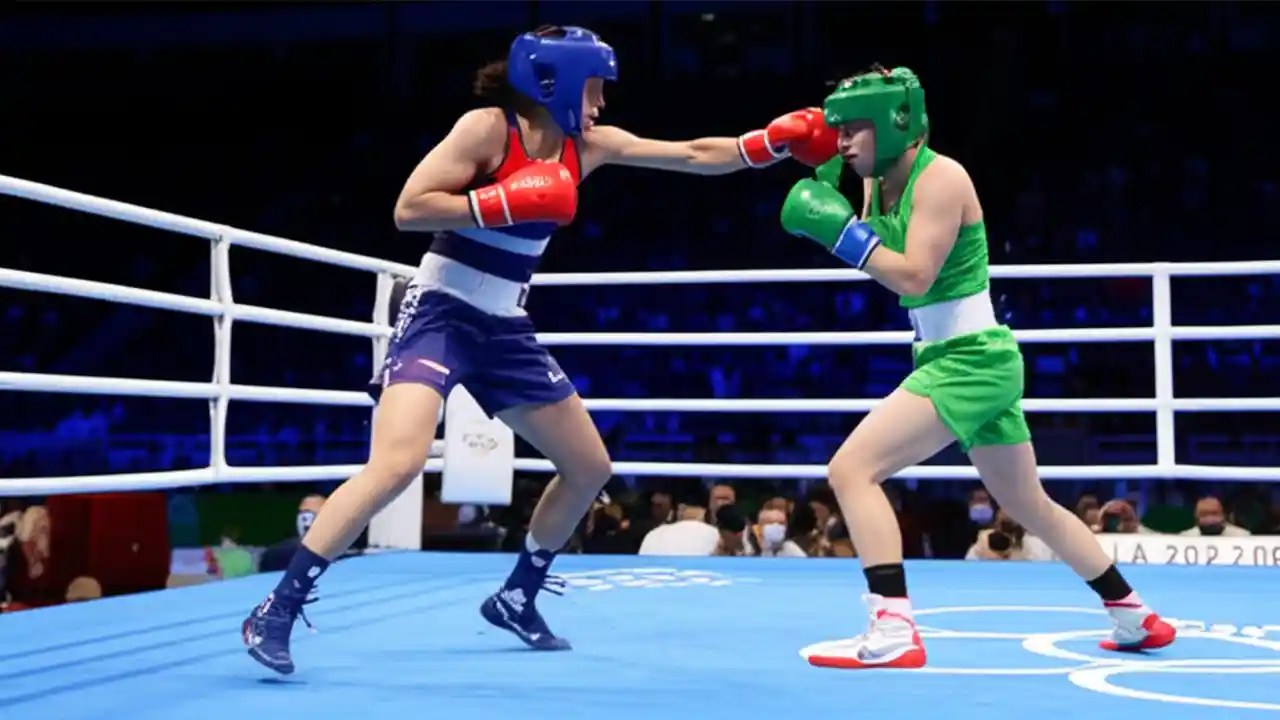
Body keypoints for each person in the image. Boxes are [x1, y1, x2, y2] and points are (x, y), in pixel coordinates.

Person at [241, 24, 836, 675]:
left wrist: (773, 144)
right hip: (439, 312)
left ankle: (517, 594)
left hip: (505, 326)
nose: (601, 104)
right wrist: (503, 200)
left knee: (588, 467)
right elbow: (410, 209)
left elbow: (694, 153)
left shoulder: (589, 145)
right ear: (551, 84)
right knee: (397, 462)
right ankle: (278, 606)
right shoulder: (486, 130)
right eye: (593, 88)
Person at [778, 64, 1176, 670]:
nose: (844, 142)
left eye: (855, 129)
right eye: (840, 130)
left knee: (851, 470)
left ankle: (893, 627)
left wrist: (841, 234)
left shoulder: (942, 178)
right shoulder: (874, 181)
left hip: (969, 360)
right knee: (1030, 503)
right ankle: (1134, 615)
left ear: (894, 124)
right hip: (953, 356)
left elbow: (914, 275)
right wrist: (818, 171)